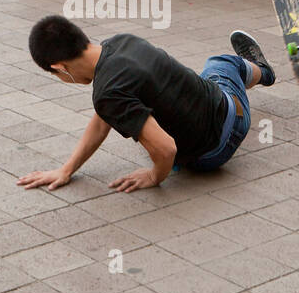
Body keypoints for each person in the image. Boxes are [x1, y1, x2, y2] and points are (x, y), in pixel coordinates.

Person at [17, 17, 277, 192]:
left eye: (58, 76)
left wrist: (154, 176)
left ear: (60, 67)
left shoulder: (108, 93)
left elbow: (165, 149)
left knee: (220, 66)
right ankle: (256, 70)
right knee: (216, 67)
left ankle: (265, 71)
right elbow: (103, 117)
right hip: (218, 121)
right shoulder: (120, 42)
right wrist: (66, 170)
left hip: (214, 147)